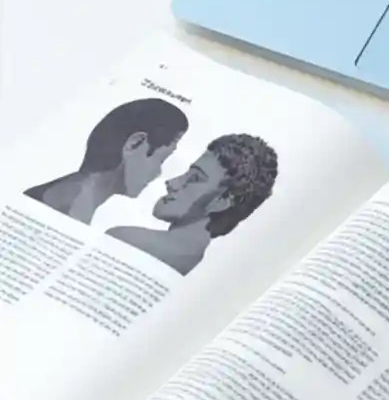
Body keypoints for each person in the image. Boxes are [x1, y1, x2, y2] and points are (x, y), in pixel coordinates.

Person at [107, 134, 278, 276]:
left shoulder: (126, 238)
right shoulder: (202, 271)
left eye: (195, 178)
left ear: (222, 201)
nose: (172, 183)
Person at [25, 99, 188, 224]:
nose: (157, 173)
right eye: (161, 159)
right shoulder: (71, 205)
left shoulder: (71, 194)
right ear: (135, 144)